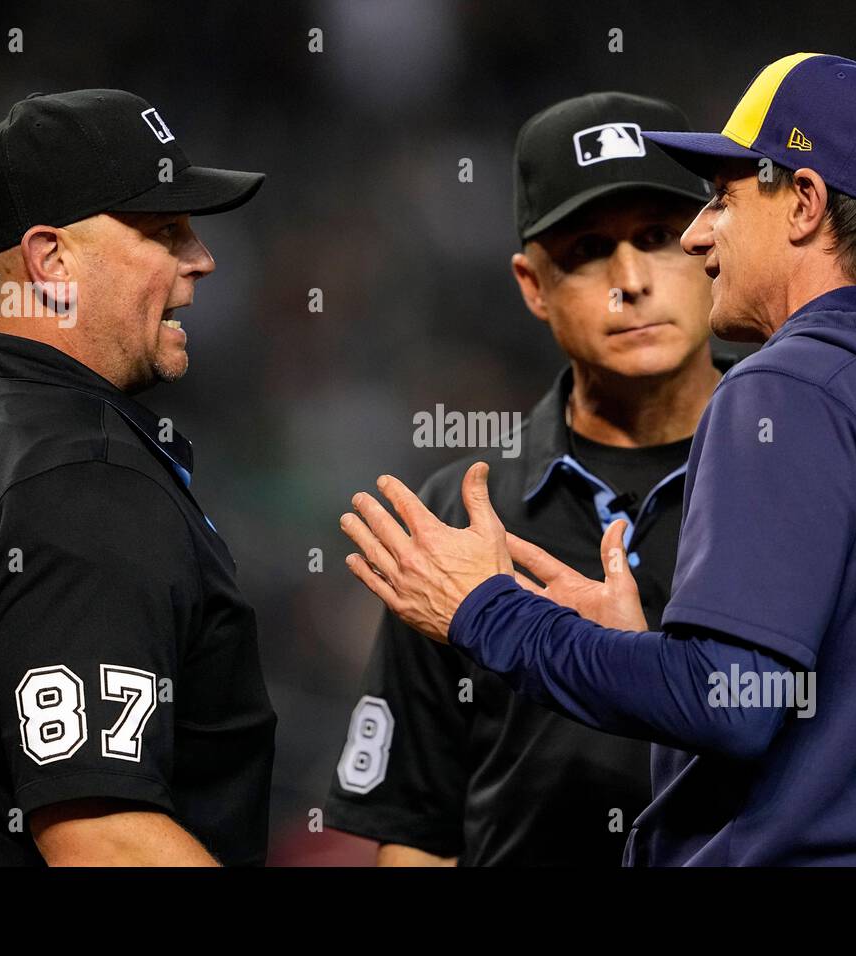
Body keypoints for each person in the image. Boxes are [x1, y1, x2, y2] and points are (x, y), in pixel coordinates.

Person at [339, 54, 856, 865]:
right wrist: (642, 660)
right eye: (589, 251)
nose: (696, 233)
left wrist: (488, 613)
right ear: (532, 284)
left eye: (721, 198)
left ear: (806, 204)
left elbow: (731, 705)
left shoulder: (787, 388)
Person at [0, 89, 276, 866]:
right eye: (166, 230)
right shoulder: (81, 479)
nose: (202, 259)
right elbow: (104, 839)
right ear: (51, 258)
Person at [326, 92, 722, 866]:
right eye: (586, 250)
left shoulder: (813, 469)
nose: (631, 279)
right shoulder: (462, 515)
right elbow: (416, 831)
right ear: (532, 285)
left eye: (658, 235)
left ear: (712, 242)